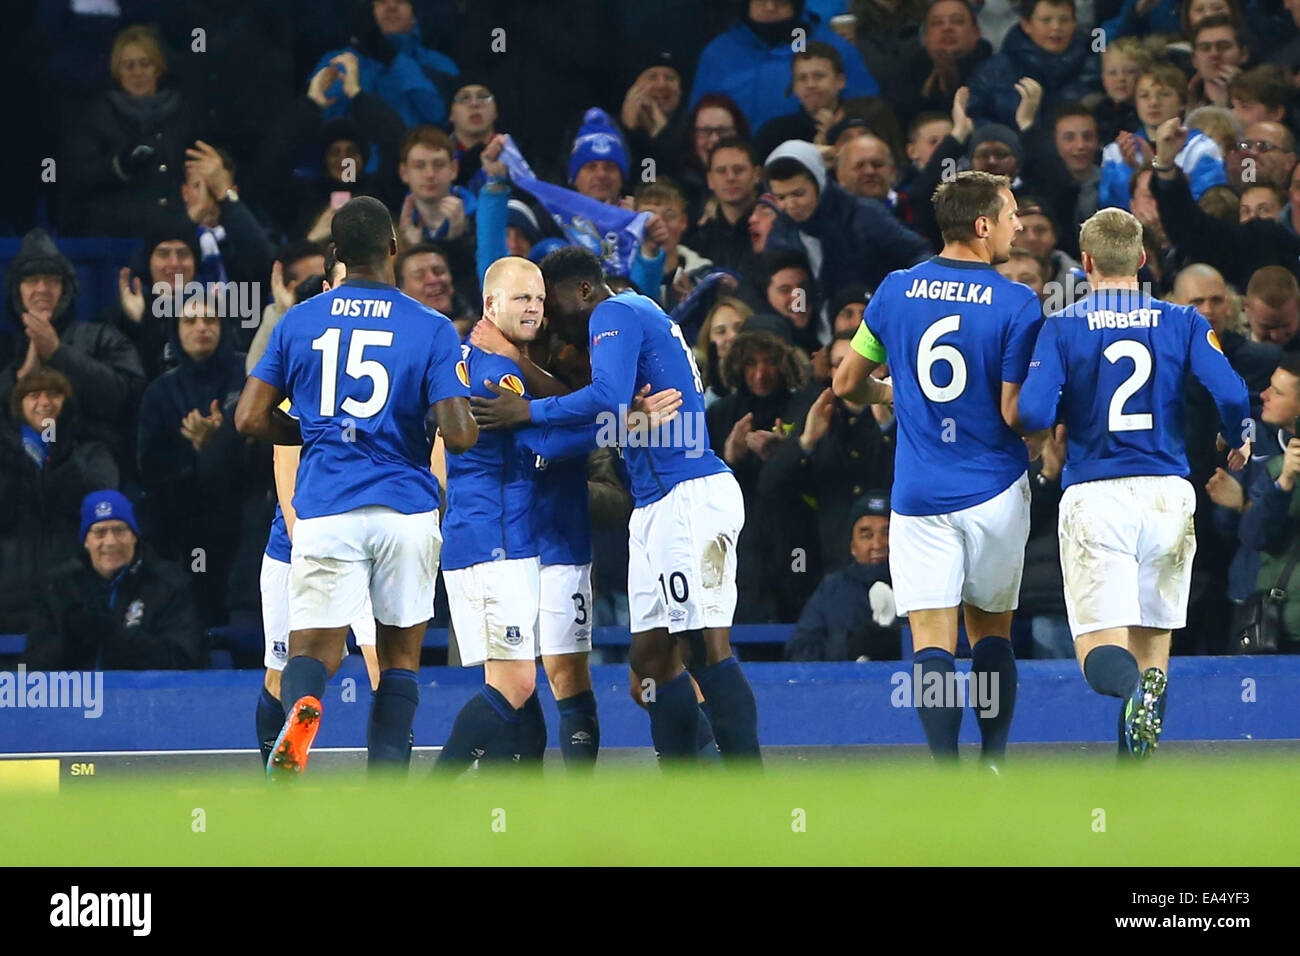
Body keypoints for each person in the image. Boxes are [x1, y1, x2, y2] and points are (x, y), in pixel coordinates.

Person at [470, 246, 757, 763]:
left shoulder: (615, 311)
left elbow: (605, 400)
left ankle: (746, 789)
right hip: (652, 506)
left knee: (703, 646)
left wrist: (527, 410)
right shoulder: (638, 315)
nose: (550, 318)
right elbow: (607, 413)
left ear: (583, 290)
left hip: (687, 494)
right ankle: (688, 785)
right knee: (649, 666)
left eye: (551, 303)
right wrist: (518, 364)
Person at [235, 196, 479, 777]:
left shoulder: (300, 319)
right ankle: (387, 791)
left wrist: (313, 429)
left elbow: (247, 418)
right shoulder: (432, 327)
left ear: (336, 255)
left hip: (325, 507)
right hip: (404, 510)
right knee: (397, 660)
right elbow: (460, 435)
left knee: (312, 650)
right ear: (393, 248)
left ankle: (306, 706)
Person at [1017, 207, 1251, 757]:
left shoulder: (1062, 326)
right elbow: (1234, 393)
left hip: (1096, 495)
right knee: (1153, 650)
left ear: (1087, 262)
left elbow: (1030, 411)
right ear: (1143, 260)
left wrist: (1058, 411)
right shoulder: (1183, 320)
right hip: (1167, 494)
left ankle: (1132, 693)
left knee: (1100, 653)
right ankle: (1132, 779)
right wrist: (1234, 437)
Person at [832, 170, 1043, 766]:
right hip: (996, 488)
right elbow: (1017, 411)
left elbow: (846, 382)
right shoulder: (1017, 301)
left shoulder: (896, 289)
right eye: (1009, 215)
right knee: (991, 633)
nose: (1017, 226)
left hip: (919, 494)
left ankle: (945, 774)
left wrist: (892, 394)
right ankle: (995, 760)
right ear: (982, 226)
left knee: (930, 639)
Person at [2, 229, 144, 479]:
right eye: (31, 280)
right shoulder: (5, 348)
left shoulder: (102, 336)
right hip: (14, 461)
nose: (42, 288)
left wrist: (57, 353)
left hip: (88, 459)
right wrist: (21, 377)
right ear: (17, 290)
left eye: (52, 280)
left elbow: (125, 398)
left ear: (66, 289)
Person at [23, 490, 205, 670]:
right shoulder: (59, 586)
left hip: (145, 697)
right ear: (86, 540)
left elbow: (183, 661)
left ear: (134, 536)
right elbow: (33, 666)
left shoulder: (168, 584)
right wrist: (68, 639)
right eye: (99, 533)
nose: (110, 542)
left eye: (120, 531)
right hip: (77, 698)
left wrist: (116, 634)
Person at [0, 368, 118, 634]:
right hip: (9, 596)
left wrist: (60, 449)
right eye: (33, 395)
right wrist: (12, 459)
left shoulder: (92, 451)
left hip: (72, 598)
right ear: (19, 406)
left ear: (68, 402)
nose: (44, 402)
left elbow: (97, 504)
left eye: (54, 394)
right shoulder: (4, 455)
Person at [784, 491, 900, 661]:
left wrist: (898, 640)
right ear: (853, 545)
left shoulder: (921, 584)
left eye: (887, 533)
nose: (877, 544)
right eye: (867, 535)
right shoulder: (831, 589)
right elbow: (799, 652)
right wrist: (850, 645)